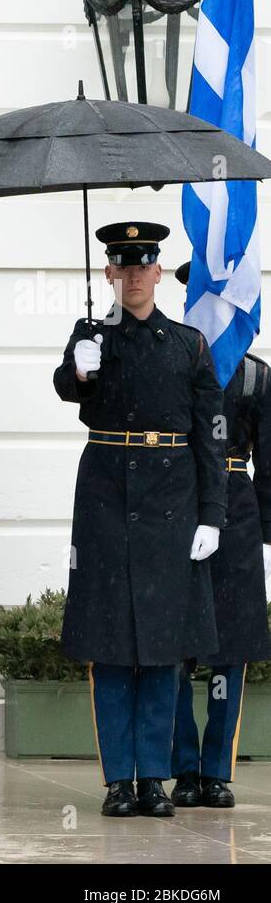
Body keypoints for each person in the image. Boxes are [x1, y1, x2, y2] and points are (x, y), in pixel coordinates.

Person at [53, 222, 224, 819]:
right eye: (121, 266)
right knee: (110, 644)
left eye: (142, 266)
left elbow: (209, 434)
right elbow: (67, 391)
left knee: (162, 647)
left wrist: (213, 516)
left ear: (157, 272)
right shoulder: (91, 336)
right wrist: (80, 369)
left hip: (172, 498)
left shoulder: (188, 344)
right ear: (108, 273)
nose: (132, 276)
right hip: (105, 494)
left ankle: (154, 777)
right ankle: (117, 782)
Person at [169, 262, 271, 809]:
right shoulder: (172, 364)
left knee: (231, 649)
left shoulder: (256, 375)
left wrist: (267, 530)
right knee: (179, 646)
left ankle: (216, 769)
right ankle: (184, 765)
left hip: (236, 509)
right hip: (180, 503)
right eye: (200, 292)